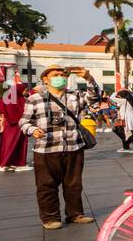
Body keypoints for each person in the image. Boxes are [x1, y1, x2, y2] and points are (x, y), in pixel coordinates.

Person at [18, 65, 101, 229]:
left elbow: (94, 98)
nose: (60, 77)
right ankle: (50, 218)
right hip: (46, 148)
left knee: (74, 184)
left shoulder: (75, 95)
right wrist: (33, 130)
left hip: (73, 146)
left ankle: (75, 214)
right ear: (46, 79)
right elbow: (24, 121)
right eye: (56, 74)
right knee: (46, 185)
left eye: (63, 74)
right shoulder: (35, 99)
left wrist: (89, 78)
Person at [0, 80, 31, 172]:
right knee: (17, 144)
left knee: (8, 144)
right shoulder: (19, 100)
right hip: (16, 125)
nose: (26, 92)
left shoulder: (7, 99)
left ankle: (4, 164)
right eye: (25, 90)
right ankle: (17, 163)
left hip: (9, 125)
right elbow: (19, 114)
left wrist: (0, 119)